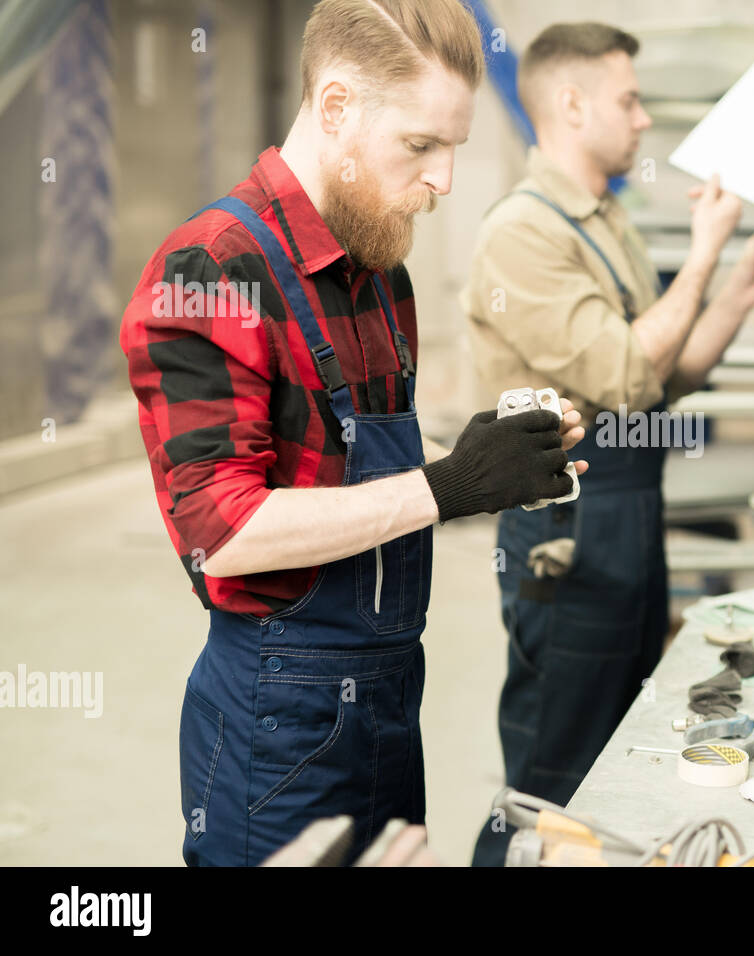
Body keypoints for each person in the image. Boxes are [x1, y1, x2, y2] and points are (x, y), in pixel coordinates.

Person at [119, 0, 586, 866]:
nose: (444, 179)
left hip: (386, 697)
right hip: (276, 722)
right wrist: (449, 486)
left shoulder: (380, 273)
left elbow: (356, 473)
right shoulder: (213, 269)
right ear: (336, 109)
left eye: (455, 147)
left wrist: (491, 454)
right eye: (421, 146)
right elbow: (221, 534)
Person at [461, 21, 754, 866]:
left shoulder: (605, 220)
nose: (643, 120)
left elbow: (664, 380)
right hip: (569, 528)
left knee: (620, 753)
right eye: (628, 100)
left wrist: (734, 297)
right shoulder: (523, 234)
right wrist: (707, 251)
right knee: (552, 771)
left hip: (630, 511)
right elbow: (626, 374)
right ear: (571, 104)